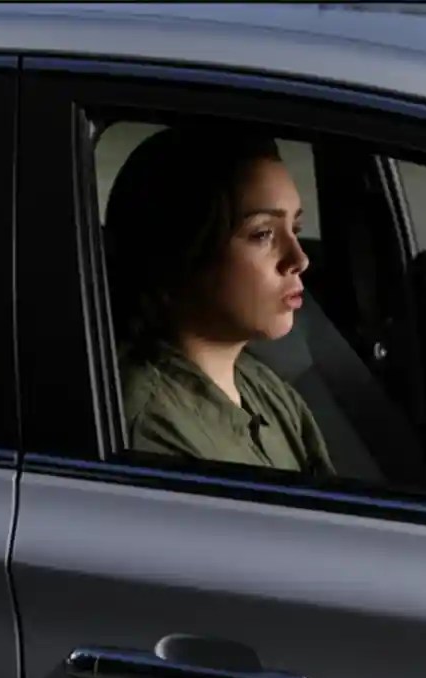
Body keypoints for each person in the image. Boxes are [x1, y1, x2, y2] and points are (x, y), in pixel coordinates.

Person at [106, 123, 336, 477]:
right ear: (182, 254)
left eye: (296, 230)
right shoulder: (149, 430)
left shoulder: (262, 385)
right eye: (263, 234)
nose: (299, 259)